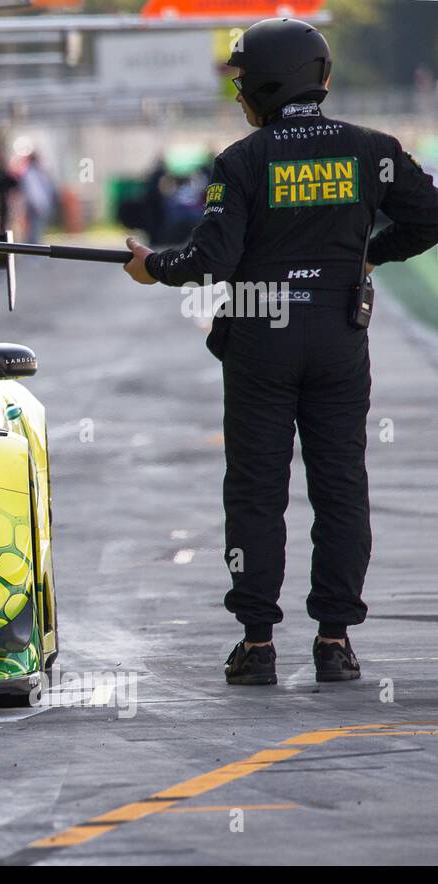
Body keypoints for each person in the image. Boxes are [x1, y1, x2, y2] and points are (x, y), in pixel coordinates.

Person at [122, 18, 438, 685]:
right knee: (341, 486)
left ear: (269, 83)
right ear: (317, 76)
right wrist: (366, 256)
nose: (238, 98)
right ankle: (335, 639)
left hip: (260, 339)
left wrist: (156, 266)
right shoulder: (371, 149)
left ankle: (258, 643)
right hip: (338, 338)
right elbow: (429, 216)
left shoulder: (242, 161)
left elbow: (210, 260)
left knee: (256, 491)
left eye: (242, 84)